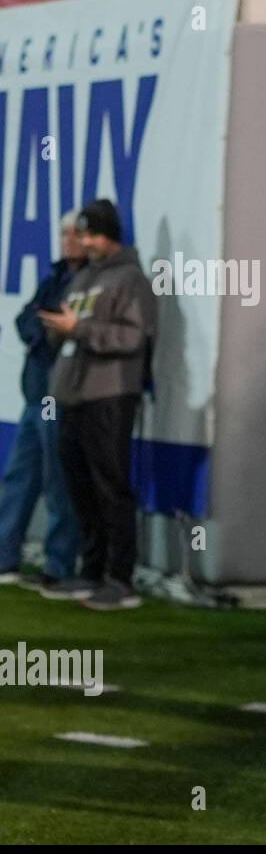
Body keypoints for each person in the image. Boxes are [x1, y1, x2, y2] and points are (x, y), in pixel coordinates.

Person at [41, 199, 156, 612]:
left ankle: (120, 578)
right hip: (74, 392)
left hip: (110, 393)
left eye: (92, 234)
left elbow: (132, 338)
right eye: (82, 234)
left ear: (110, 235)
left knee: (110, 485)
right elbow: (72, 329)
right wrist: (58, 329)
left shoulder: (130, 279)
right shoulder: (83, 278)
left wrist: (80, 329)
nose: (84, 242)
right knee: (80, 486)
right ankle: (91, 572)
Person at [0, 211, 83, 591]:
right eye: (64, 233)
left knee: (56, 480)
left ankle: (59, 565)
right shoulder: (54, 279)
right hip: (35, 393)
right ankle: (6, 557)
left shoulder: (87, 282)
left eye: (74, 234)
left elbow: (60, 330)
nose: (68, 240)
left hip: (58, 393)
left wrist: (44, 329)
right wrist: (42, 330)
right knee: (19, 479)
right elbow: (25, 320)